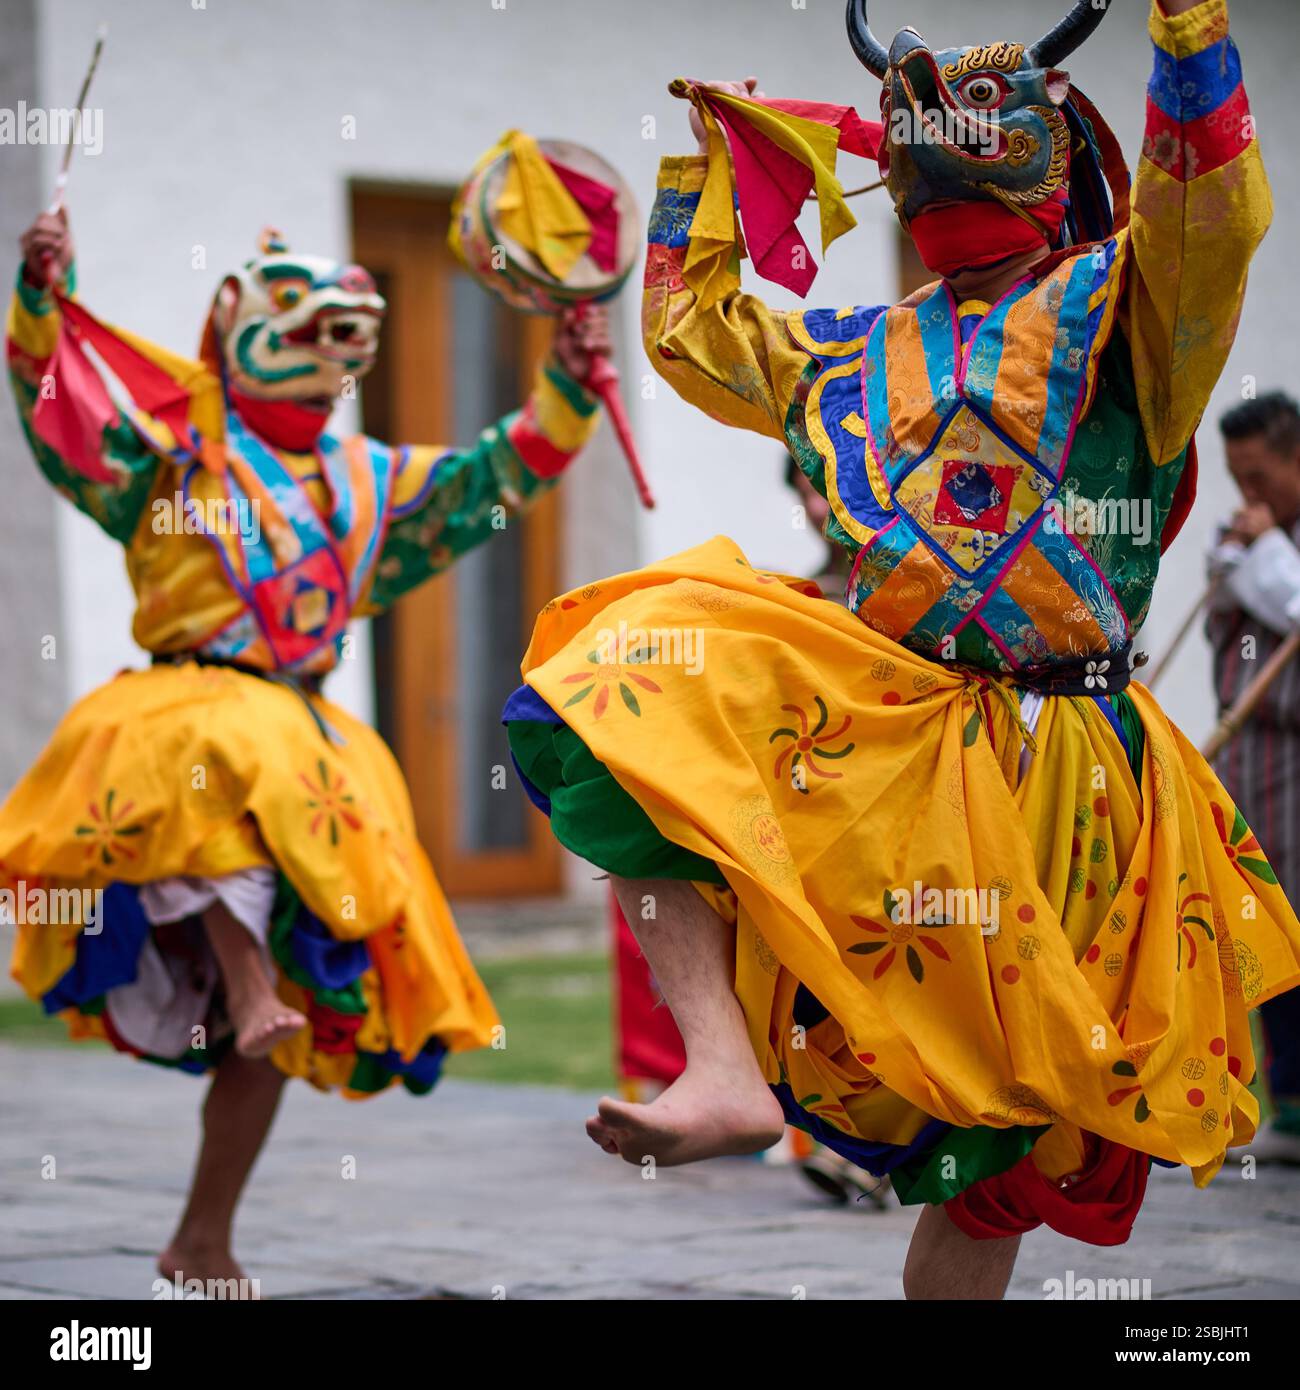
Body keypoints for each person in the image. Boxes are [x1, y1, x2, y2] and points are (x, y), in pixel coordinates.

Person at [504, 0, 1300, 1299]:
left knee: (1002, 1170)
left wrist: (1191, 23)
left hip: (1072, 782)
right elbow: (691, 329)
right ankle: (719, 1065)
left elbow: (1213, 207)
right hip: (900, 750)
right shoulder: (855, 350)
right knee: (611, 696)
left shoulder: (1130, 311)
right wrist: (711, 163)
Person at [2, 210, 607, 1291]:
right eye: (310, 347)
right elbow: (63, 421)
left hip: (304, 742)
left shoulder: (365, 480)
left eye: (346, 358)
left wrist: (563, 386)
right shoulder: (170, 454)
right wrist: (43, 299)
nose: (333, 377)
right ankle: (238, 969)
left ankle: (202, 1235)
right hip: (182, 718)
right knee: (217, 765)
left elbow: (484, 484)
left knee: (276, 1020)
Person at [1207, 392, 1300, 1163]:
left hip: (1294, 755)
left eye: (1261, 475)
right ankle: (1290, 1106)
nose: (1249, 495)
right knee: (1262, 927)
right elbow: (1224, 607)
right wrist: (1239, 552)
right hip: (1248, 759)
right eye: (1238, 479)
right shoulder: (1248, 532)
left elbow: (1292, 602)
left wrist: (1264, 553)